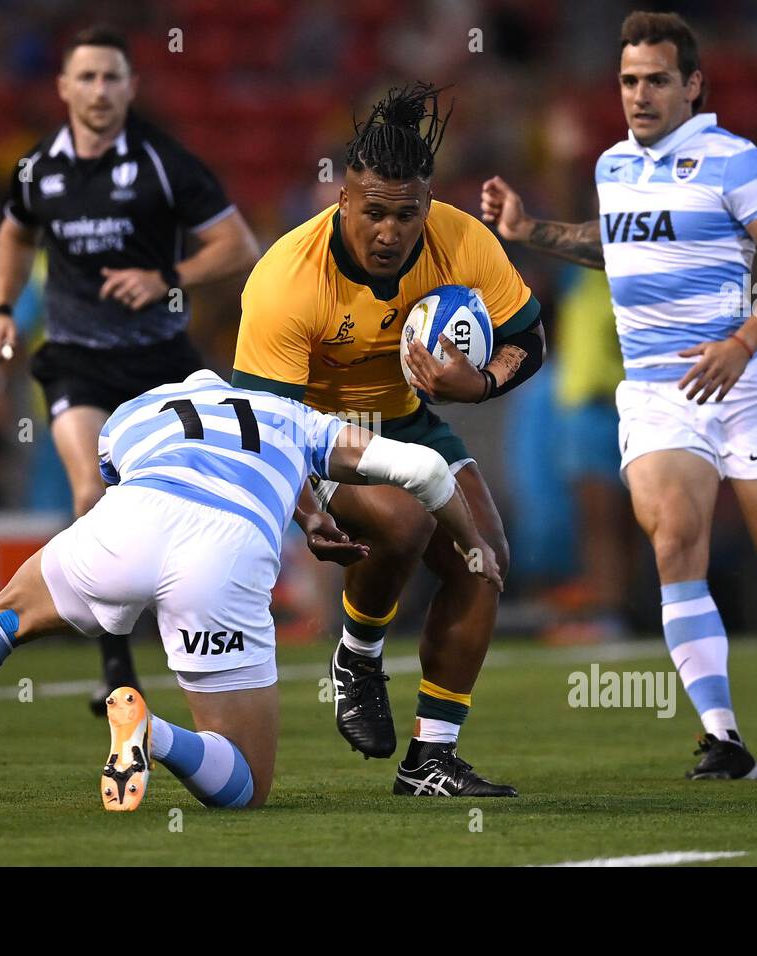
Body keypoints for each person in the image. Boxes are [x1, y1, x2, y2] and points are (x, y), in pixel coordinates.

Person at [480, 10, 757, 778]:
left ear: (692, 85)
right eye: (629, 80)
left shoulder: (734, 161)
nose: (640, 94)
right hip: (658, 395)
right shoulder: (613, 166)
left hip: (742, 383)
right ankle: (724, 738)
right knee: (673, 538)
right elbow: (617, 243)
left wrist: (740, 344)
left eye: (657, 79)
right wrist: (532, 230)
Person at [0, 371, 501, 809]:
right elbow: (426, 474)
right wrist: (468, 545)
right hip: (226, 548)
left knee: (2, 618)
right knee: (245, 783)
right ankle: (150, 733)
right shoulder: (289, 415)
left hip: (131, 517)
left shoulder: (131, 416)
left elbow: (116, 477)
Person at [232, 84, 545, 796]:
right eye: (374, 211)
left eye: (408, 214)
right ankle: (358, 655)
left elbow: (527, 337)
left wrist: (483, 384)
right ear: (343, 200)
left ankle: (430, 760)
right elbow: (266, 426)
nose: (390, 231)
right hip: (318, 430)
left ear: (427, 208)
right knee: (400, 523)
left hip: (404, 418)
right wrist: (308, 511)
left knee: (484, 559)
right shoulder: (286, 280)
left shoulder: (462, 239)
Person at [0, 25, 260, 716]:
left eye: (112, 78)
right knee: (90, 496)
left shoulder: (166, 163)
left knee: (197, 496)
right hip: (75, 360)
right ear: (64, 88)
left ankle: (204, 635)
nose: (100, 91)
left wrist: (167, 275)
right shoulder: (36, 168)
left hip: (161, 362)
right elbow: (14, 231)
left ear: (132, 87)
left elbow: (238, 245)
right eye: (87, 78)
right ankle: (117, 671)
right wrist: (1, 310)